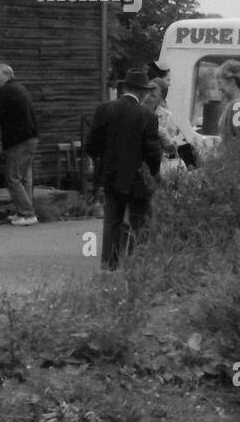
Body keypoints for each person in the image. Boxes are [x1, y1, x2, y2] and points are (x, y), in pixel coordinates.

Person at [85, 68, 163, 271]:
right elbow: (153, 152)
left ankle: (109, 266)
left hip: (111, 175)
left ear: (125, 87)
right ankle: (135, 266)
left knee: (112, 221)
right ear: (143, 92)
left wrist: (101, 163)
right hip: (138, 178)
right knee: (139, 222)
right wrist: (152, 175)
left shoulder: (105, 109)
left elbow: (91, 144)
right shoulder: (147, 116)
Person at [0, 63, 40, 226]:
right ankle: (24, 212)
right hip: (30, 138)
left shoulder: (6, 91)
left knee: (13, 178)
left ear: (7, 76)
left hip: (17, 140)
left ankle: (28, 213)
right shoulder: (20, 89)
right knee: (24, 178)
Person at [142, 77, 200, 170]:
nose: (146, 97)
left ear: (161, 100)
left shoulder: (166, 116)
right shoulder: (136, 111)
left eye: (152, 95)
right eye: (146, 92)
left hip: (157, 164)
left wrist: (164, 136)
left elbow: (172, 148)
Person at [216, 59, 240, 140]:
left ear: (231, 81)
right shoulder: (233, 103)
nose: (219, 88)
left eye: (220, 83)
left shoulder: (239, 105)